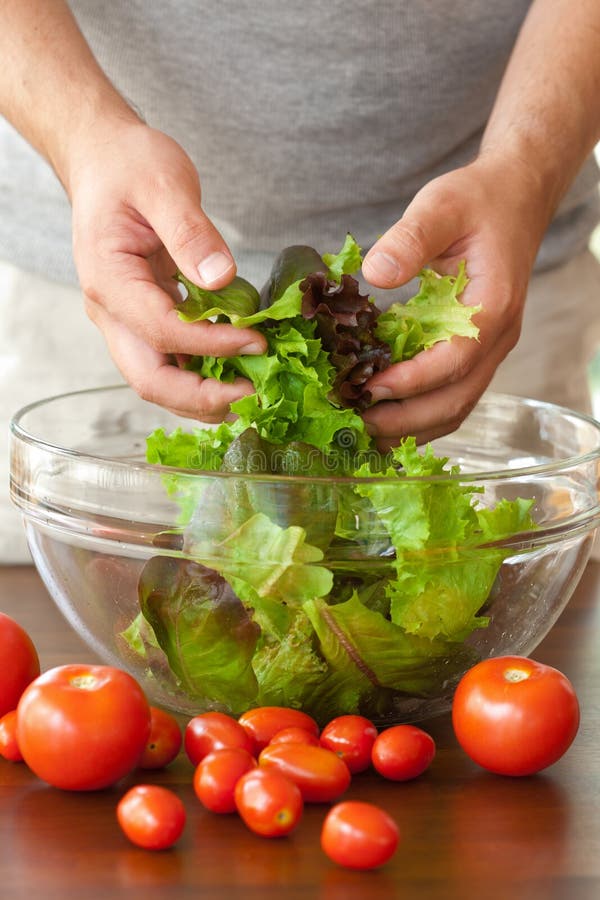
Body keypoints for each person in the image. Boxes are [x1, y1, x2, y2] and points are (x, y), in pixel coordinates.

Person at [1, 0, 600, 562]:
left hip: (498, 273)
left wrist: (527, 168)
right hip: (106, 270)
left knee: (480, 616)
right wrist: (82, 133)